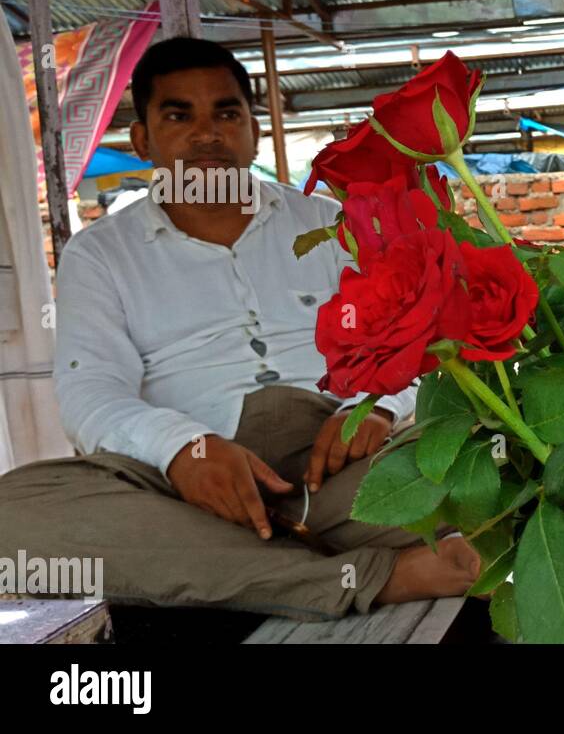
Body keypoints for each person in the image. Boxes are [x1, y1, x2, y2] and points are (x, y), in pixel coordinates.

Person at [0, 38, 481, 621]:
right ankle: (352, 576)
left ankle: (246, 565)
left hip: (342, 470)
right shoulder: (101, 254)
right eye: (179, 115)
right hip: (189, 494)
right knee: (14, 517)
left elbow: (413, 342)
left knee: (482, 463)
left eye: (226, 113)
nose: (207, 134)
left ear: (253, 130)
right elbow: (90, 393)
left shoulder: (327, 224)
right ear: (143, 140)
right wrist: (182, 449)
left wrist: (375, 410)